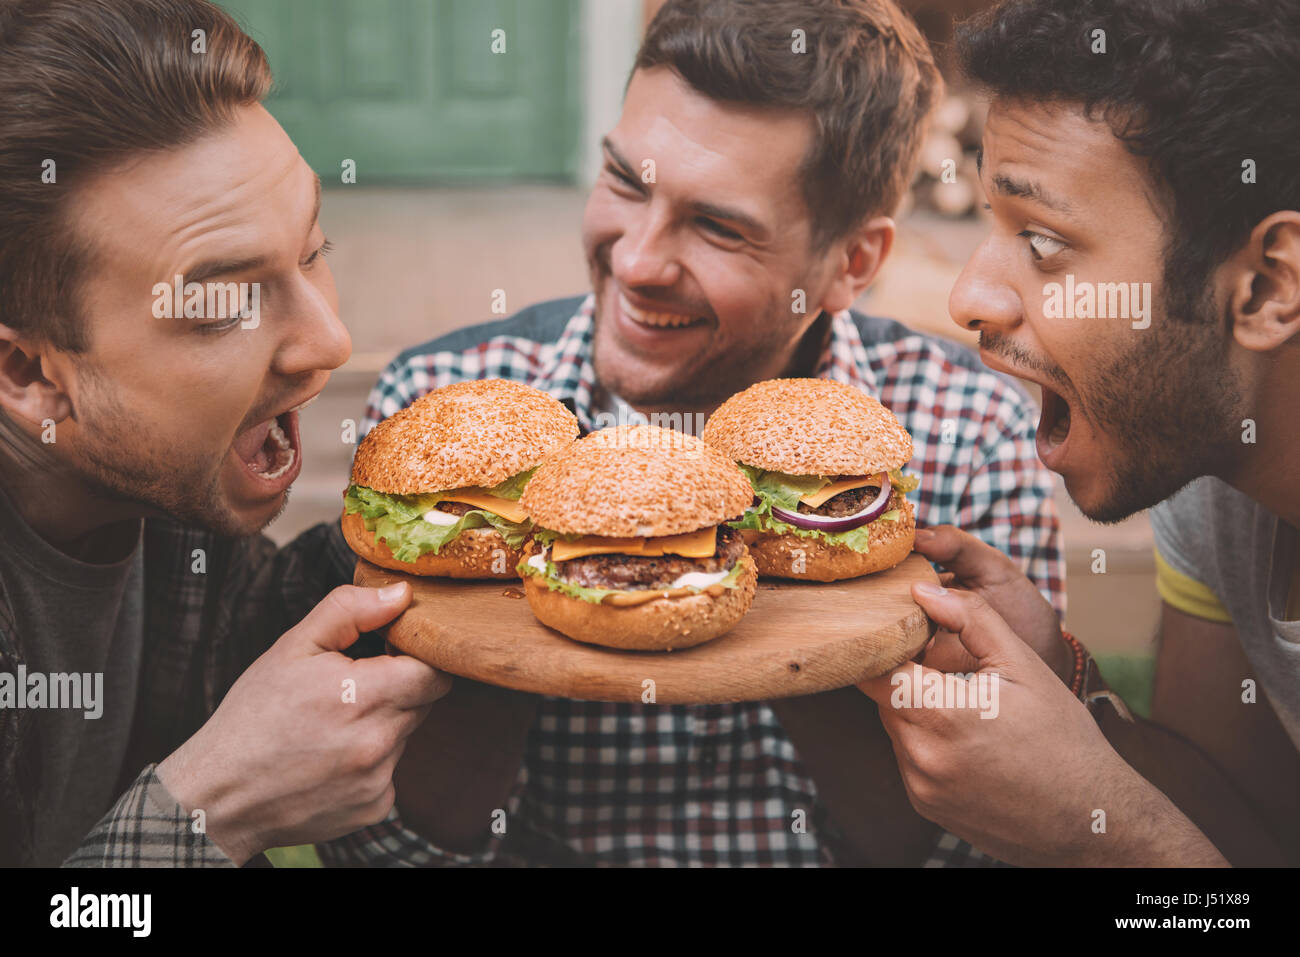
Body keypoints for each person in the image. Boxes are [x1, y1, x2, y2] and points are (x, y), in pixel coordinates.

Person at [319, 0, 1065, 867]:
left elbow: (988, 849)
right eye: (626, 183)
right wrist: (531, 559)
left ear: (851, 263)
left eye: (718, 226)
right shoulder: (441, 411)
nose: (635, 262)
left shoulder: (972, 429)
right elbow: (378, 849)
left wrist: (785, 580)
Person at [0, 0, 448, 867]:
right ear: (28, 374)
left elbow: (248, 627)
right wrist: (210, 811)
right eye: (224, 304)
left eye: (314, 247)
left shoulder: (161, 498)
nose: (329, 341)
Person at [861, 0, 1300, 866]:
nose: (967, 300)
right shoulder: (1210, 481)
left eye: (1047, 241)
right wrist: (1069, 685)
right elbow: (1253, 828)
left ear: (1264, 288)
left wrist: (1115, 848)